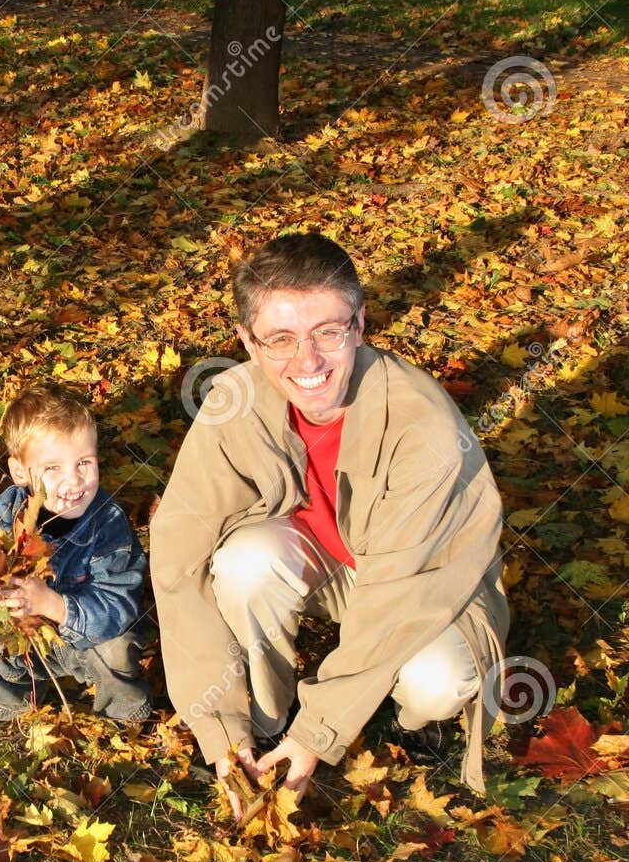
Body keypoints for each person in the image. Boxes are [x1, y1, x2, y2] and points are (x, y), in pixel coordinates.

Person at [151, 232, 509, 817]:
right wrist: (221, 731)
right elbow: (178, 560)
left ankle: (409, 721)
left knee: (437, 680)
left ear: (360, 325)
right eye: (280, 339)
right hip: (328, 566)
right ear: (248, 342)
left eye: (328, 332)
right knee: (242, 562)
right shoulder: (234, 404)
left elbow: (401, 596)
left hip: (424, 587)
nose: (308, 362)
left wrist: (318, 733)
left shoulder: (423, 426)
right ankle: (263, 725)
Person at [0, 387, 151, 728]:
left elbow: (118, 606)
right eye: (53, 467)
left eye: (84, 462)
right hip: (28, 638)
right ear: (20, 472)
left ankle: (122, 708)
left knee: (116, 648)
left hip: (89, 638)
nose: (73, 479)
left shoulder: (107, 524)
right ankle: (10, 700)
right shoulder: (3, 515)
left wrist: (54, 605)